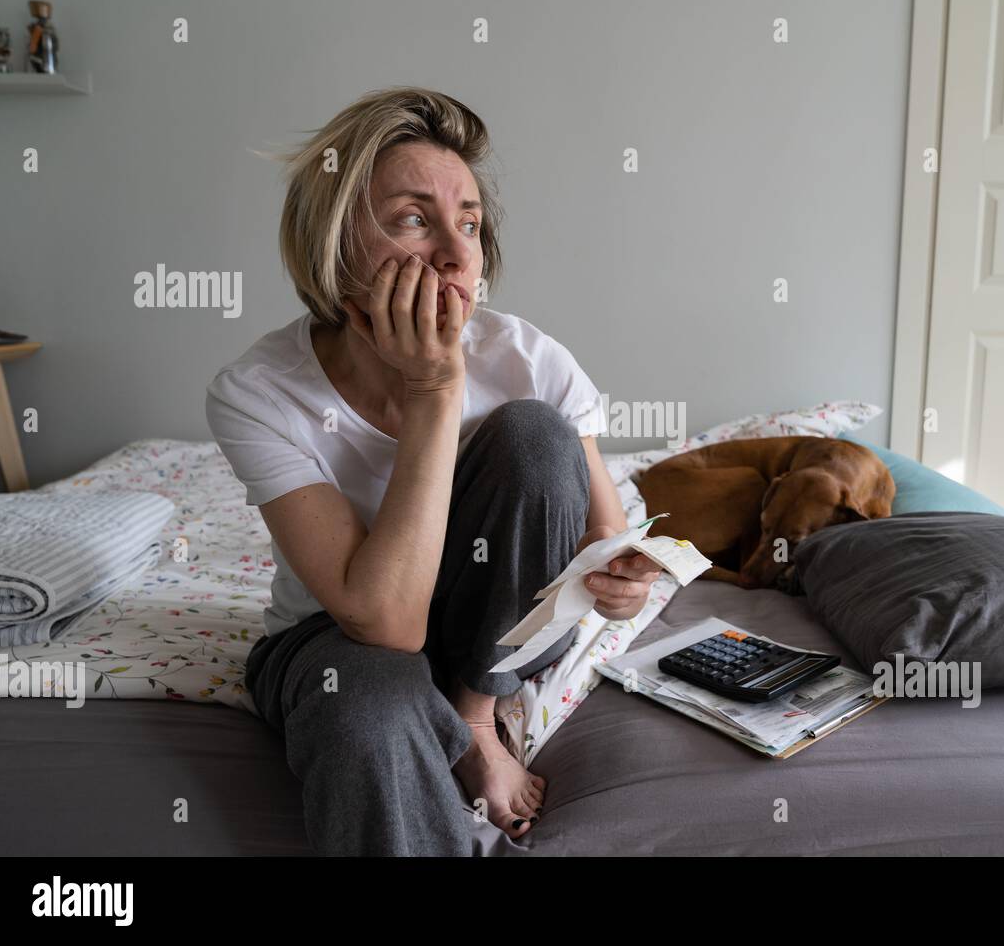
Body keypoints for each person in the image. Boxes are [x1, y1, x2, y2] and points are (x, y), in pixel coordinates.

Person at [204, 86, 662, 855]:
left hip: (496, 627)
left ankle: (475, 714)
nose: (456, 253)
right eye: (415, 219)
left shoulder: (527, 358)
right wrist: (434, 390)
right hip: (339, 635)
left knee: (533, 435)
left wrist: (621, 578)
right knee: (361, 706)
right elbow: (384, 622)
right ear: (335, 243)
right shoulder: (258, 393)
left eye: (471, 224)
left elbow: (602, 532)